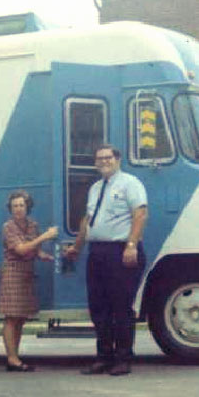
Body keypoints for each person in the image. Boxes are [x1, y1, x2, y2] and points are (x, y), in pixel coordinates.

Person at [67, 144, 148, 376]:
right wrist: (77, 247)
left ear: (118, 159)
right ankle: (103, 357)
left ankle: (123, 359)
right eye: (99, 158)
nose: (103, 161)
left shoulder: (130, 183)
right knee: (98, 307)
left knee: (120, 307)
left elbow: (140, 214)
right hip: (98, 252)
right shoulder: (95, 188)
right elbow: (88, 220)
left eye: (108, 157)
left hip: (121, 250)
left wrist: (131, 245)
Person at [0, 190, 58, 372]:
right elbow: (22, 249)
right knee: (11, 318)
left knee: (21, 319)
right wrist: (45, 236)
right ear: (10, 208)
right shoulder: (8, 227)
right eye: (15, 206)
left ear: (27, 207)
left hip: (27, 273)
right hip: (12, 273)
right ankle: (12, 359)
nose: (18, 209)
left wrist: (44, 256)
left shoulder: (33, 225)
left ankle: (15, 356)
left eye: (21, 205)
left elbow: (35, 249)